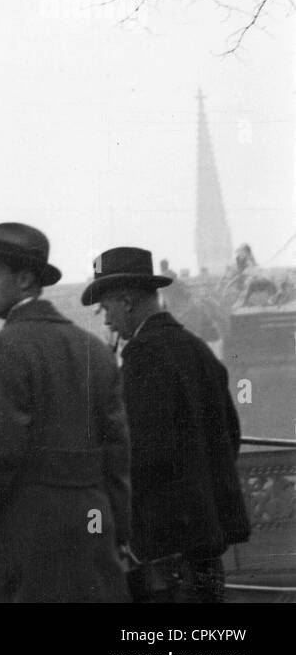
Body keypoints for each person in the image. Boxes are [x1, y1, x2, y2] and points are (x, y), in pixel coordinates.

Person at [0, 222, 130, 602]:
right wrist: (118, 534)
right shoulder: (96, 350)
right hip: (93, 523)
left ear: (24, 280)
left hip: (32, 530)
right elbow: (117, 456)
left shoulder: (2, 349)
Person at [83, 246, 251, 602]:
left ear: (127, 301)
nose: (107, 321)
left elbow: (140, 457)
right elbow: (230, 437)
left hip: (164, 557)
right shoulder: (197, 350)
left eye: (106, 308)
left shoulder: (143, 356)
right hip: (207, 548)